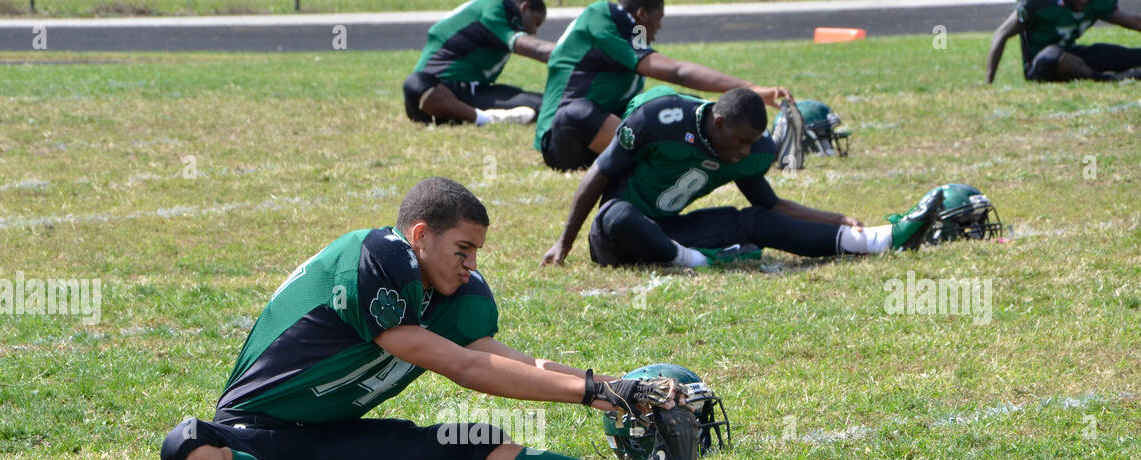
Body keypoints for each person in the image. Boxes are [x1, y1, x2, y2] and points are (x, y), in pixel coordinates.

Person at [160, 178, 699, 460]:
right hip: (261, 433)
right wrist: (585, 394)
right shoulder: (374, 256)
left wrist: (611, 386)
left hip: (336, 437)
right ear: (420, 237)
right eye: (463, 249)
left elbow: (510, 361)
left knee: (478, 443)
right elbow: (463, 367)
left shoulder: (455, 291)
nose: (471, 267)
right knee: (188, 450)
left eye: (476, 253)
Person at [542, 86, 945, 269]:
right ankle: (696, 262)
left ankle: (879, 240)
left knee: (754, 222)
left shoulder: (749, 151)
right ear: (718, 123)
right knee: (620, 215)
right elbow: (598, 175)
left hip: (672, 230)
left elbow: (770, 207)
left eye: (753, 143)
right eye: (741, 141)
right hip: (617, 238)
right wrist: (564, 242)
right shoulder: (660, 118)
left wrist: (836, 218)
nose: (745, 152)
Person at [533, 0, 791, 171]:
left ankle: (764, 146)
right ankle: (670, 153)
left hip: (605, 129)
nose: (658, 27)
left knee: (684, 107)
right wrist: (748, 87)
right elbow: (676, 71)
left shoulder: (628, 29)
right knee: (577, 113)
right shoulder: (603, 16)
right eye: (658, 18)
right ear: (642, 14)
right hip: (563, 139)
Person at [404, 0, 556, 126]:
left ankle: (476, 116)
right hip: (439, 90)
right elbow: (537, 49)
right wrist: (572, 56)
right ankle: (487, 119)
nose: (533, 31)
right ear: (525, 6)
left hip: (474, 92)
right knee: (415, 83)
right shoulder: (497, 7)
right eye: (536, 22)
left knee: (546, 104)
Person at [987, 0, 1141, 82]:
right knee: (1055, 55)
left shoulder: (1094, 3)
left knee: (1110, 53)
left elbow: (1134, 22)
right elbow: (1000, 34)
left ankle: (1131, 72)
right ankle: (1108, 79)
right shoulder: (1040, 4)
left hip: (1072, 54)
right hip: (1041, 64)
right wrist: (989, 81)